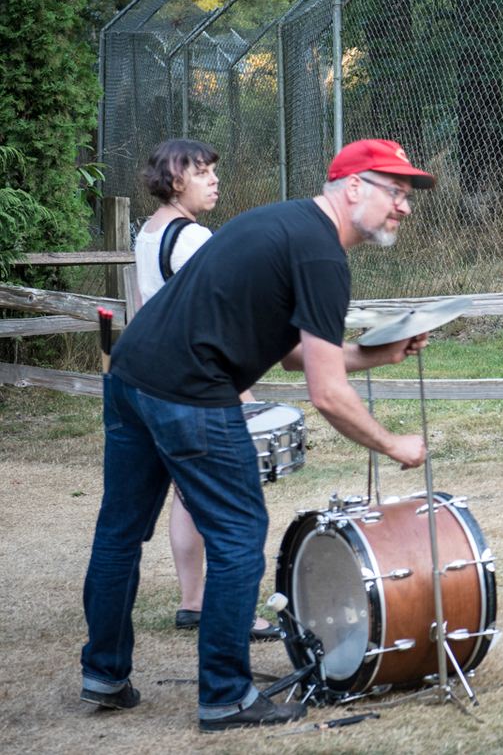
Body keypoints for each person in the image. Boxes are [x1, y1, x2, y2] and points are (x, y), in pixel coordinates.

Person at [80, 139, 436, 732]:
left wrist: (376, 355)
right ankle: (226, 696)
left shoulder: (285, 221)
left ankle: (104, 673)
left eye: (405, 196)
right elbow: (326, 394)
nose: (404, 207)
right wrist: (396, 445)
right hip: (190, 394)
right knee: (240, 538)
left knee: (119, 533)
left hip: (131, 377)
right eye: (395, 192)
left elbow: (298, 358)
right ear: (354, 188)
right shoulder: (323, 257)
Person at [131, 139, 277, 644]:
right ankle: (233, 612)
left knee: (186, 494)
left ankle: (191, 601)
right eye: (202, 172)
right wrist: (243, 391)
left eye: (214, 170)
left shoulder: (147, 233)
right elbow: (224, 317)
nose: (214, 180)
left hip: (154, 376)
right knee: (227, 502)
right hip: (198, 380)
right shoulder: (193, 238)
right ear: (175, 180)